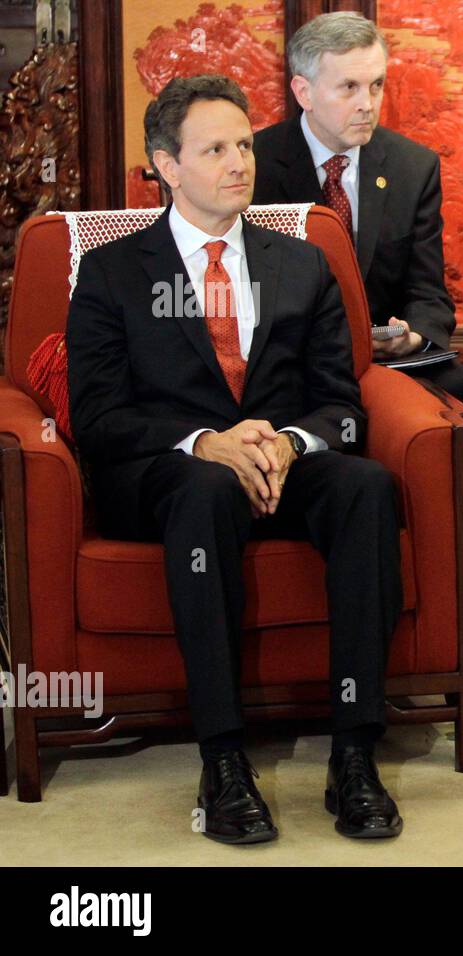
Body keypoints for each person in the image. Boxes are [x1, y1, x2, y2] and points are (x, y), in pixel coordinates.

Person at [67, 75, 406, 844]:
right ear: (167, 164)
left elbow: (340, 401)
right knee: (205, 492)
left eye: (245, 145)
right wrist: (205, 445)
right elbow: (99, 416)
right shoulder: (114, 271)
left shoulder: (300, 263)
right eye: (214, 149)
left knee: (366, 487)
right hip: (171, 473)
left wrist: (289, 443)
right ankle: (223, 762)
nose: (238, 163)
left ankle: (354, 755)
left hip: (283, 460)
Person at [252, 11, 463, 445]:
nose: (368, 102)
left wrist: (412, 336)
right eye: (349, 88)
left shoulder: (413, 167)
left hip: (386, 361)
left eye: (376, 85)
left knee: (462, 394)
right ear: (303, 91)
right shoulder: (253, 166)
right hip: (290, 361)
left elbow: (427, 291)